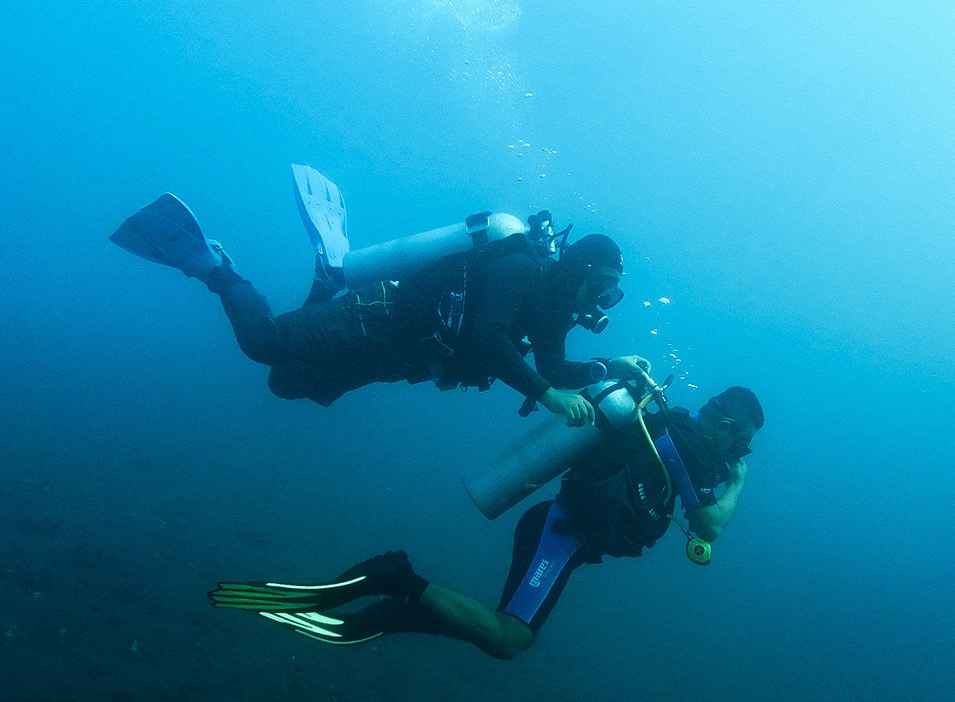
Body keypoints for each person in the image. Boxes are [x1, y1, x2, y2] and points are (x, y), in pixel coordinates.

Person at [209, 384, 764, 659]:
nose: (735, 445)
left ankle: (391, 613)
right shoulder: (677, 443)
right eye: (737, 434)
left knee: (500, 629)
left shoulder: (673, 436)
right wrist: (738, 484)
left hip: (564, 534)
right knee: (509, 639)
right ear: (728, 428)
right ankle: (398, 578)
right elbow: (709, 526)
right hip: (559, 533)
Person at [110, 184, 650, 425]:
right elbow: (489, 338)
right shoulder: (521, 267)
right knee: (263, 344)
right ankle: (214, 268)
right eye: (604, 286)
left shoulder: (553, 309)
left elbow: (553, 368)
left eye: (614, 294)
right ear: (579, 268)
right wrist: (549, 397)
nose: (605, 300)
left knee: (289, 384)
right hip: (380, 317)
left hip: (403, 359)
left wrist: (608, 367)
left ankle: (326, 280)